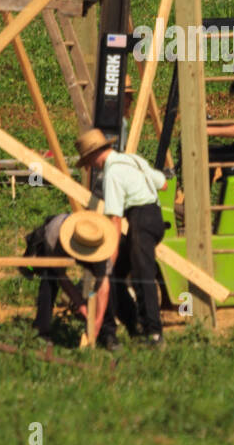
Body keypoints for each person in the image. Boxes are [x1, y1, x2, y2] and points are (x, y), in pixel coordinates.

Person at [76, 128, 170, 348]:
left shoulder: (111, 174)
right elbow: (162, 183)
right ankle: (134, 323)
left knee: (141, 274)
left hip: (139, 219)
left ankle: (154, 333)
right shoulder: (133, 159)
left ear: (93, 155)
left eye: (89, 161)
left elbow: (115, 218)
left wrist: (111, 251)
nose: (91, 166)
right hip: (154, 217)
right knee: (120, 273)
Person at [23, 210, 117, 342]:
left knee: (110, 281)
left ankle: (107, 333)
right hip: (56, 244)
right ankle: (41, 331)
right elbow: (61, 275)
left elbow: (104, 285)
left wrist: (97, 321)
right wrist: (79, 303)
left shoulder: (99, 242)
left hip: (88, 245)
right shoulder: (54, 235)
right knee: (49, 278)